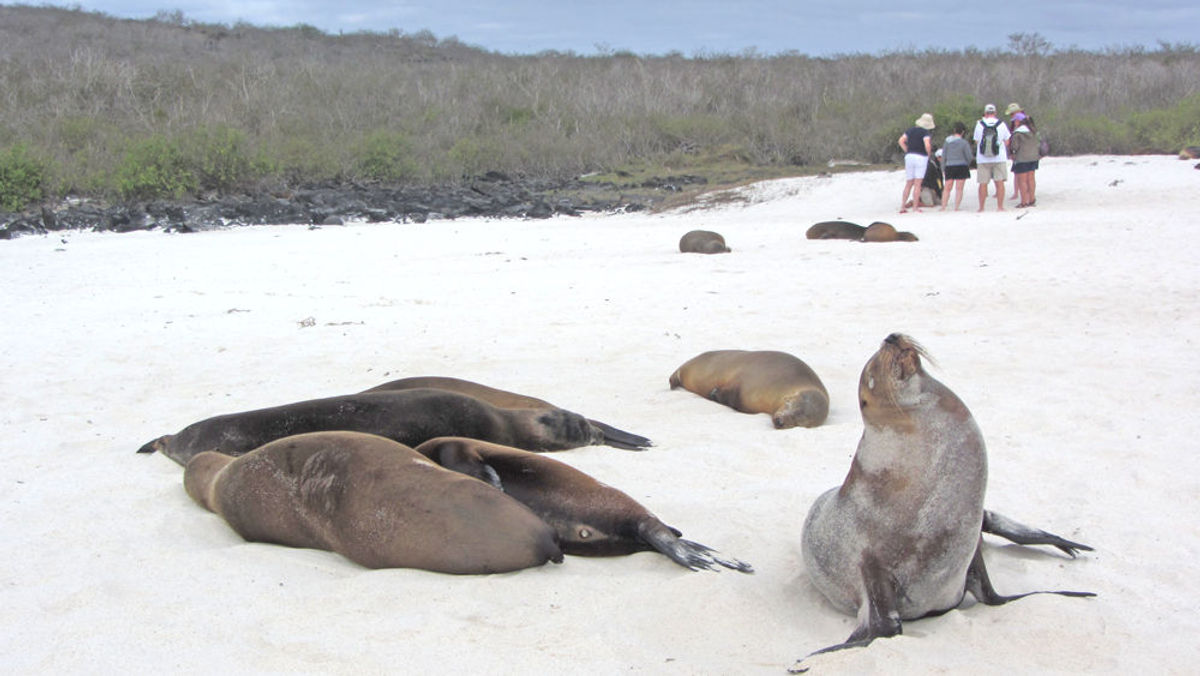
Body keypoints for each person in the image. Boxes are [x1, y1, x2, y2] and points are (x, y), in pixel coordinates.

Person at [972, 104, 1011, 212]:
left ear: (985, 113)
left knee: (983, 183)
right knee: (999, 182)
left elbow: (976, 141)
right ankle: (1000, 207)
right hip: (999, 157)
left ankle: (981, 207)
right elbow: (1007, 141)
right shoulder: (1001, 124)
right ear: (995, 113)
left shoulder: (979, 124)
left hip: (983, 158)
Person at [898, 113, 935, 213]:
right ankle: (915, 207)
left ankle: (902, 206)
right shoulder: (925, 133)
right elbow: (927, 145)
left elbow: (901, 141)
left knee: (909, 183)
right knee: (918, 183)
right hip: (921, 157)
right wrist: (928, 154)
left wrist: (907, 150)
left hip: (909, 156)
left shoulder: (910, 130)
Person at [940, 121, 973, 210]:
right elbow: (969, 156)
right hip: (962, 166)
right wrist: (967, 164)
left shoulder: (947, 142)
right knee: (959, 189)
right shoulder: (964, 143)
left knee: (947, 188)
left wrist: (943, 168)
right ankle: (956, 207)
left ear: (954, 130)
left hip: (949, 165)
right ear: (963, 132)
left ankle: (943, 206)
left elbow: (944, 155)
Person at [1009, 114, 1040, 207]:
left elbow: (1014, 147)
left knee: (1022, 180)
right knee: (1031, 179)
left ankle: (1024, 202)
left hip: (1022, 158)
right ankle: (1032, 199)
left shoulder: (1018, 133)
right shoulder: (1034, 131)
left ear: (1019, 121)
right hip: (1033, 158)